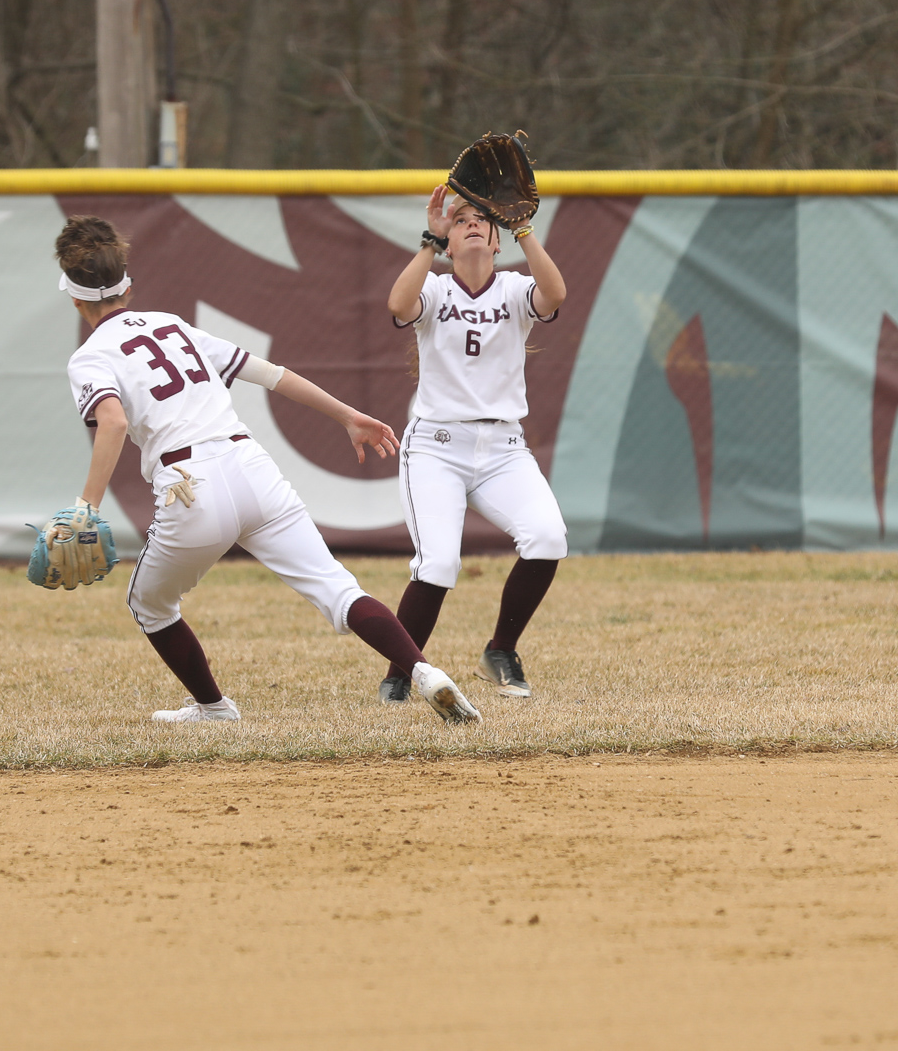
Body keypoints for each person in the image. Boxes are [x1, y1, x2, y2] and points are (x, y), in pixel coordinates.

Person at [57, 215, 480, 724]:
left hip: (189, 486)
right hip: (252, 467)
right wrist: (347, 415)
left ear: (74, 298)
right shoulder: (172, 325)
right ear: (128, 285)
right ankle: (424, 672)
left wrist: (85, 509)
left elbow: (113, 421)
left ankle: (214, 708)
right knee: (339, 590)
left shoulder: (89, 356)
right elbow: (272, 374)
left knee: (150, 605)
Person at [378, 187, 569, 703]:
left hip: (503, 448)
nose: (473, 224)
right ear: (449, 239)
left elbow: (554, 295)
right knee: (438, 564)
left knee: (548, 537)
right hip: (436, 448)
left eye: (484, 219)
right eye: (461, 219)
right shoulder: (436, 288)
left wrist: (524, 227)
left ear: (498, 240)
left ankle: (500, 651)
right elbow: (398, 305)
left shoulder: (514, 288)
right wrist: (430, 240)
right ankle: (400, 675)